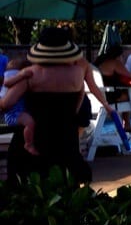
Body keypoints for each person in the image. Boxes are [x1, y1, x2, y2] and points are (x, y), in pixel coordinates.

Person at [0, 27, 114, 184]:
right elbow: (78, 102)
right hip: (65, 141)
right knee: (66, 191)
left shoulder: (31, 73)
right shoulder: (77, 73)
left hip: (35, 142)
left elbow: (6, 104)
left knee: (29, 193)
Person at [96, 43, 131, 130]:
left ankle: (125, 124)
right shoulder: (115, 62)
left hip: (98, 95)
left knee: (127, 94)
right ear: (119, 55)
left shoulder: (99, 62)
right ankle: (127, 124)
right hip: (109, 97)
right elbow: (130, 78)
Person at [1, 58, 37, 154]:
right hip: (14, 114)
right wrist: (21, 75)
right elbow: (7, 83)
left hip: (20, 111)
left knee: (31, 122)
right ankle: (29, 144)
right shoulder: (13, 80)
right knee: (30, 123)